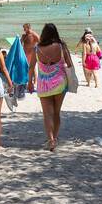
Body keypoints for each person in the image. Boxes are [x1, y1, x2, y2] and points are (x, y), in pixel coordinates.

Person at [29, 22, 76, 152]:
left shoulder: (37, 48)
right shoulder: (61, 47)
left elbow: (31, 67)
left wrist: (29, 82)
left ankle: (50, 140)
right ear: (56, 33)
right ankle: (55, 138)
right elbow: (69, 64)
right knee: (56, 112)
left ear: (43, 34)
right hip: (60, 82)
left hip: (43, 85)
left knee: (47, 114)